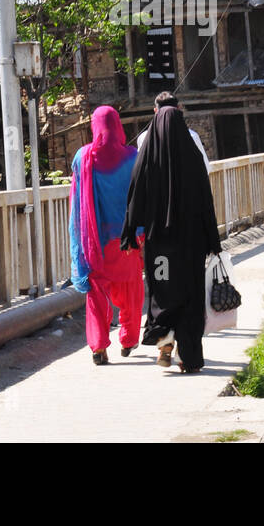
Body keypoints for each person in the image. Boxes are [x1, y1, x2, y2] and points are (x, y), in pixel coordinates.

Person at [122, 105, 222, 373]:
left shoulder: (147, 157)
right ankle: (189, 357)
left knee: (163, 290)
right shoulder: (192, 156)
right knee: (191, 296)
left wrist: (130, 231)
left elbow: (135, 196)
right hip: (192, 244)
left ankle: (165, 341)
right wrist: (214, 240)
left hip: (160, 245)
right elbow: (206, 203)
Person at [69, 106, 142, 366]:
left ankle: (98, 347)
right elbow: (140, 200)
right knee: (130, 288)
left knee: (96, 293)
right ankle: (129, 339)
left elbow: (77, 201)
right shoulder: (133, 157)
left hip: (94, 241)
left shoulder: (82, 157)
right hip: (126, 241)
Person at [136, 91, 209, 169]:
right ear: (178, 109)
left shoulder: (143, 138)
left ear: (155, 111)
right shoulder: (192, 137)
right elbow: (205, 168)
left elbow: (141, 169)